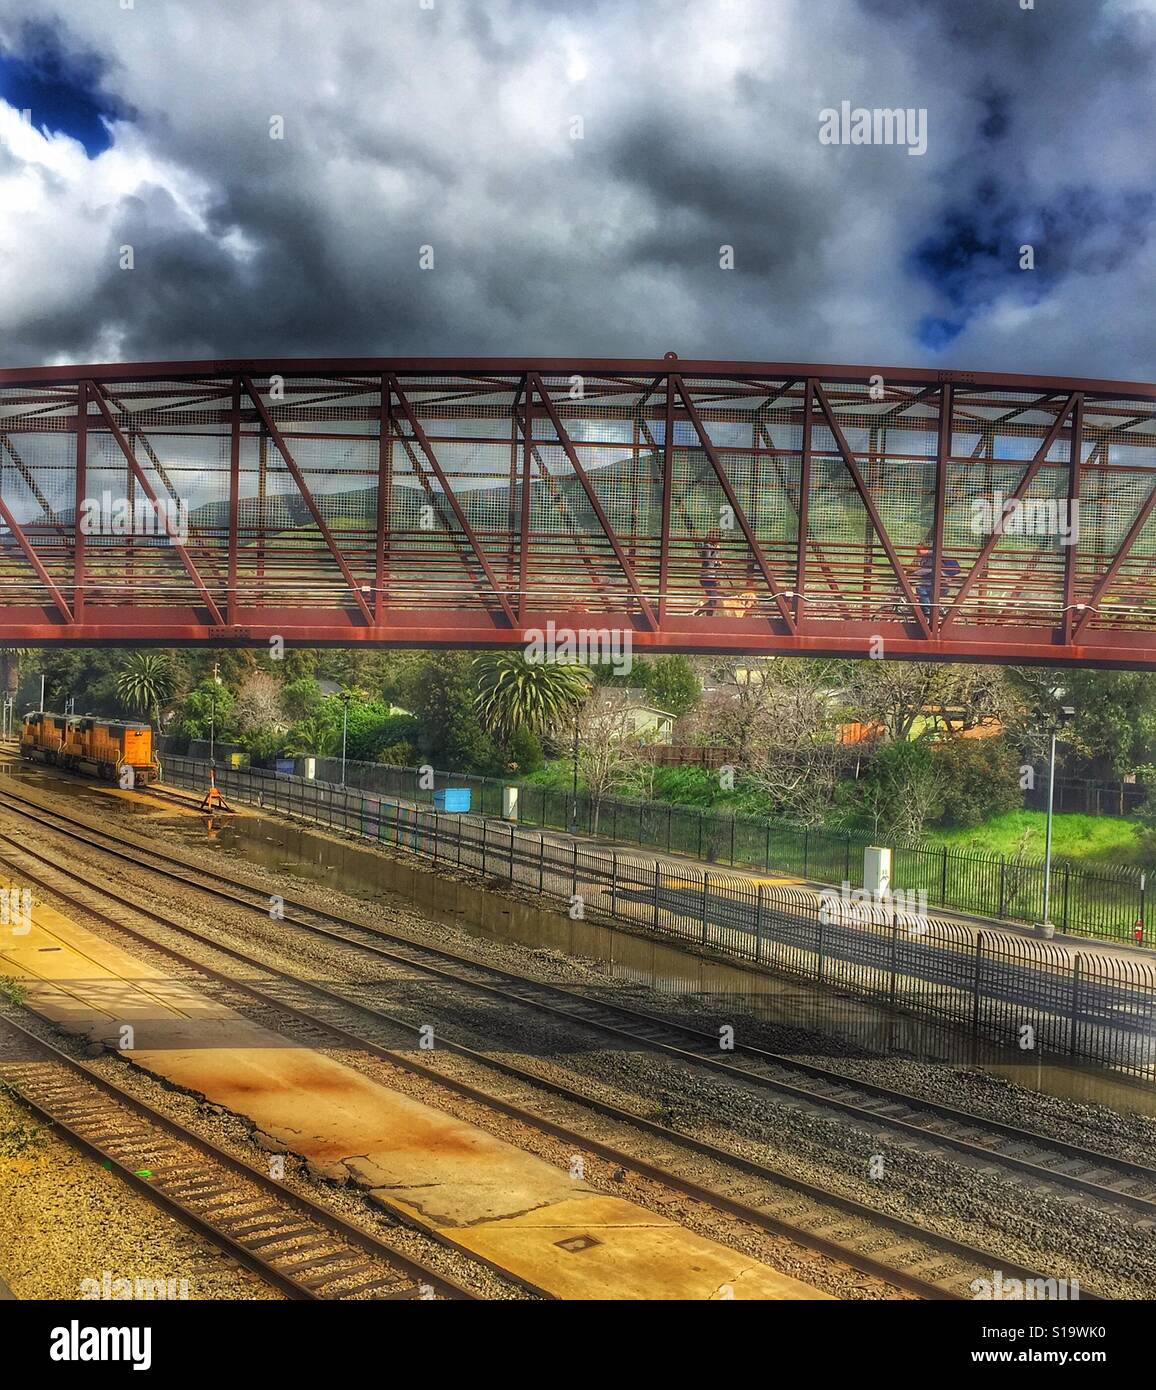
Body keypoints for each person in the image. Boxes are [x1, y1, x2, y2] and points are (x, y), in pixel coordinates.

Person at [911, 543, 961, 621]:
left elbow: (927, 570)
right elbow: (915, 567)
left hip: (940, 586)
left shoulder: (932, 557)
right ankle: (929, 612)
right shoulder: (924, 557)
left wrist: (914, 573)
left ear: (925, 549)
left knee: (921, 589)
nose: (916, 551)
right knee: (923, 591)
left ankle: (928, 614)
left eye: (918, 549)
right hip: (935, 585)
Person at [694, 529, 723, 616]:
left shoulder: (713, 547)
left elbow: (714, 563)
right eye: (718, 537)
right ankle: (697, 614)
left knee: (713, 601)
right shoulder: (707, 546)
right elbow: (707, 561)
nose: (719, 539)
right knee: (713, 601)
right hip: (707, 577)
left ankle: (708, 619)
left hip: (712, 576)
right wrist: (715, 552)